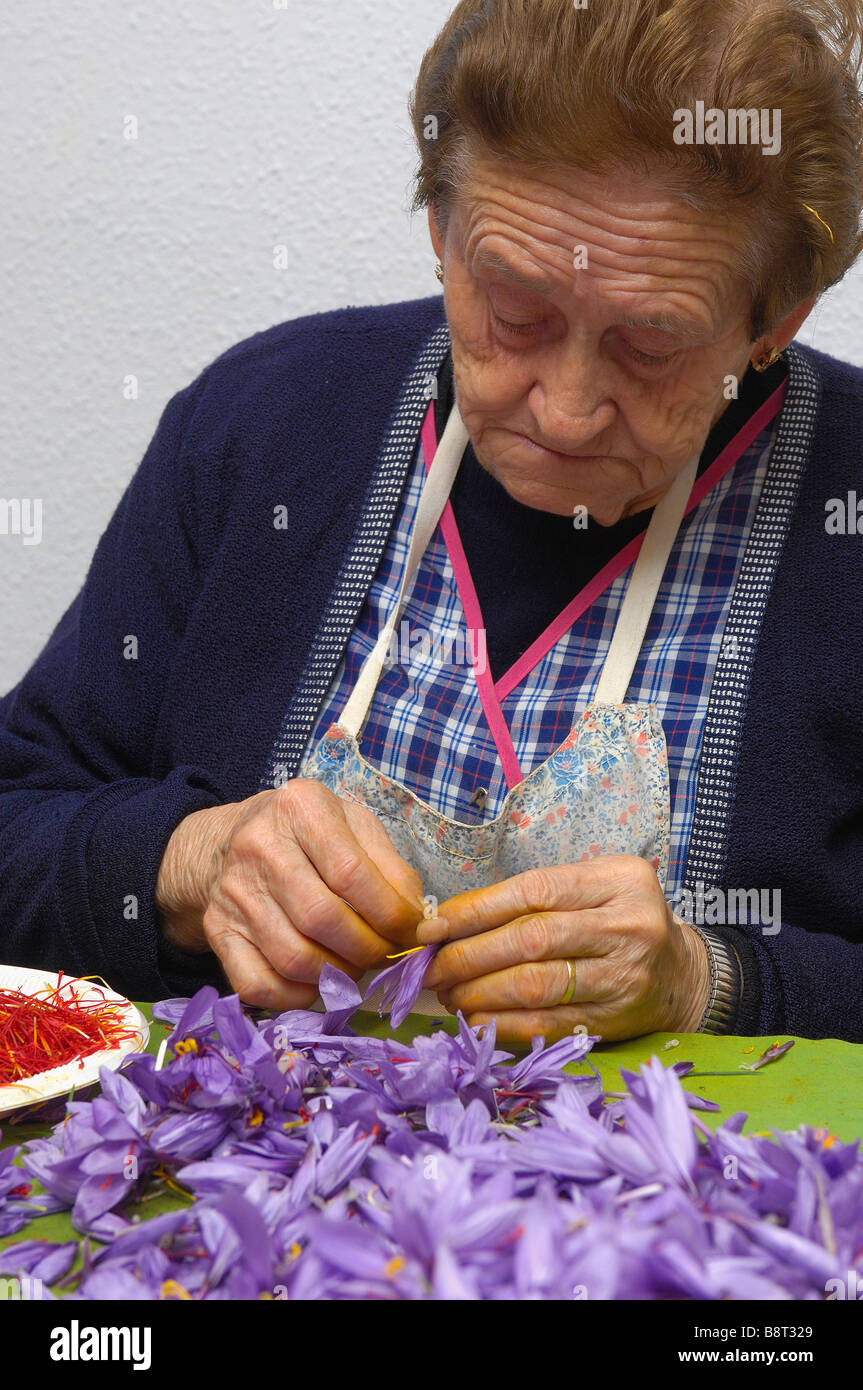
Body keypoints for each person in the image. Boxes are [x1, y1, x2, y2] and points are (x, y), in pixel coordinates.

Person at [2, 0, 863, 1044]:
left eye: (650, 345)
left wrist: (714, 978)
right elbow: (19, 818)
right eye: (512, 311)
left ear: (774, 319)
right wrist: (188, 865)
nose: (564, 407)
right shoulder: (266, 423)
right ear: (442, 233)